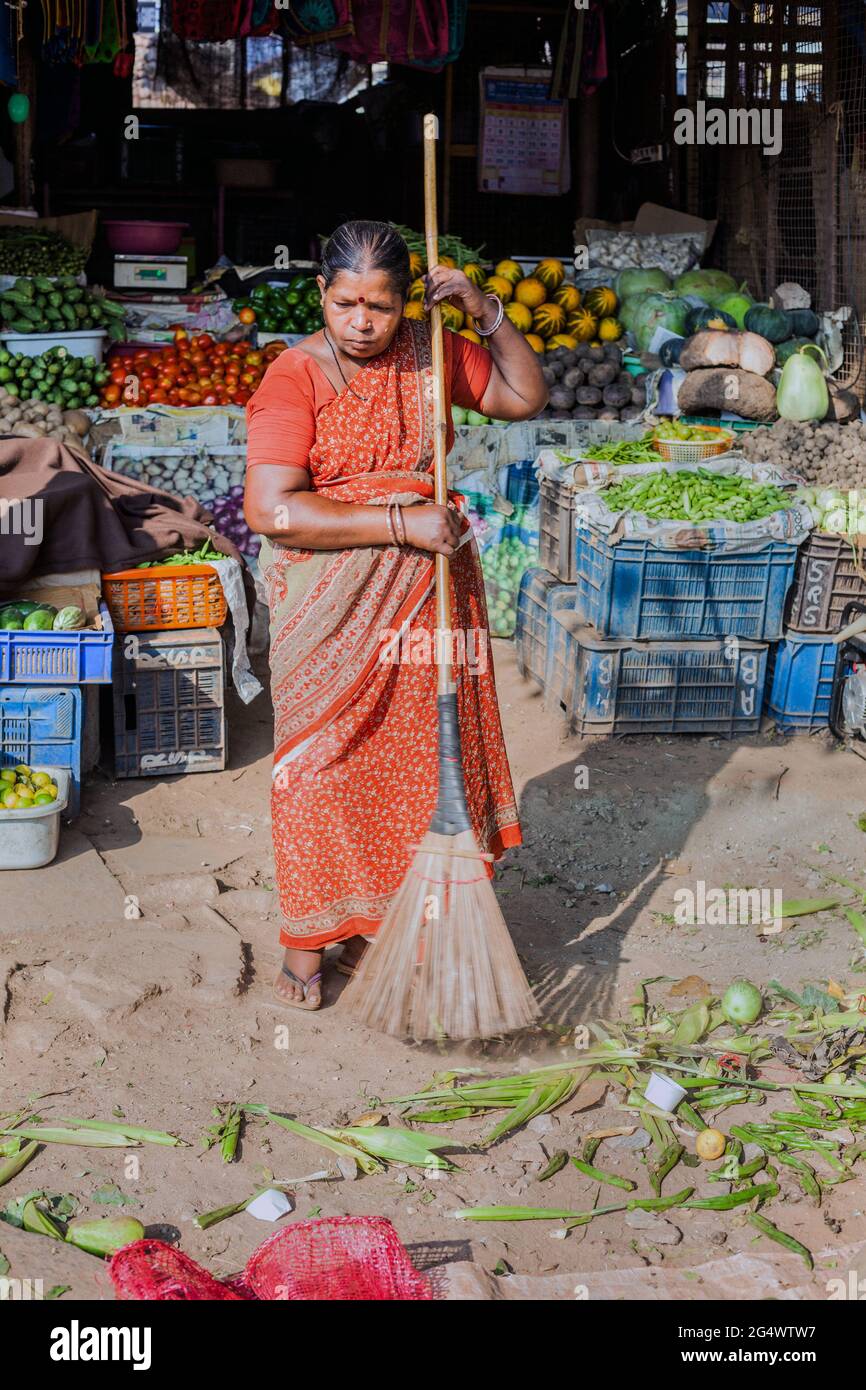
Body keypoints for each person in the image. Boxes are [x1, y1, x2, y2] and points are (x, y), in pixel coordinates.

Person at [244, 220, 547, 1010]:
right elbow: (271, 510)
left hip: (431, 595)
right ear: (321, 294)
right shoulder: (294, 375)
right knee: (317, 765)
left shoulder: (432, 350)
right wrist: (396, 523)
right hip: (329, 602)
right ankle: (307, 939)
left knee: (416, 766)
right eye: (345, 304)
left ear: (406, 300)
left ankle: (397, 926)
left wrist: (484, 311)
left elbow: (521, 396)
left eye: (379, 305)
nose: (362, 322)